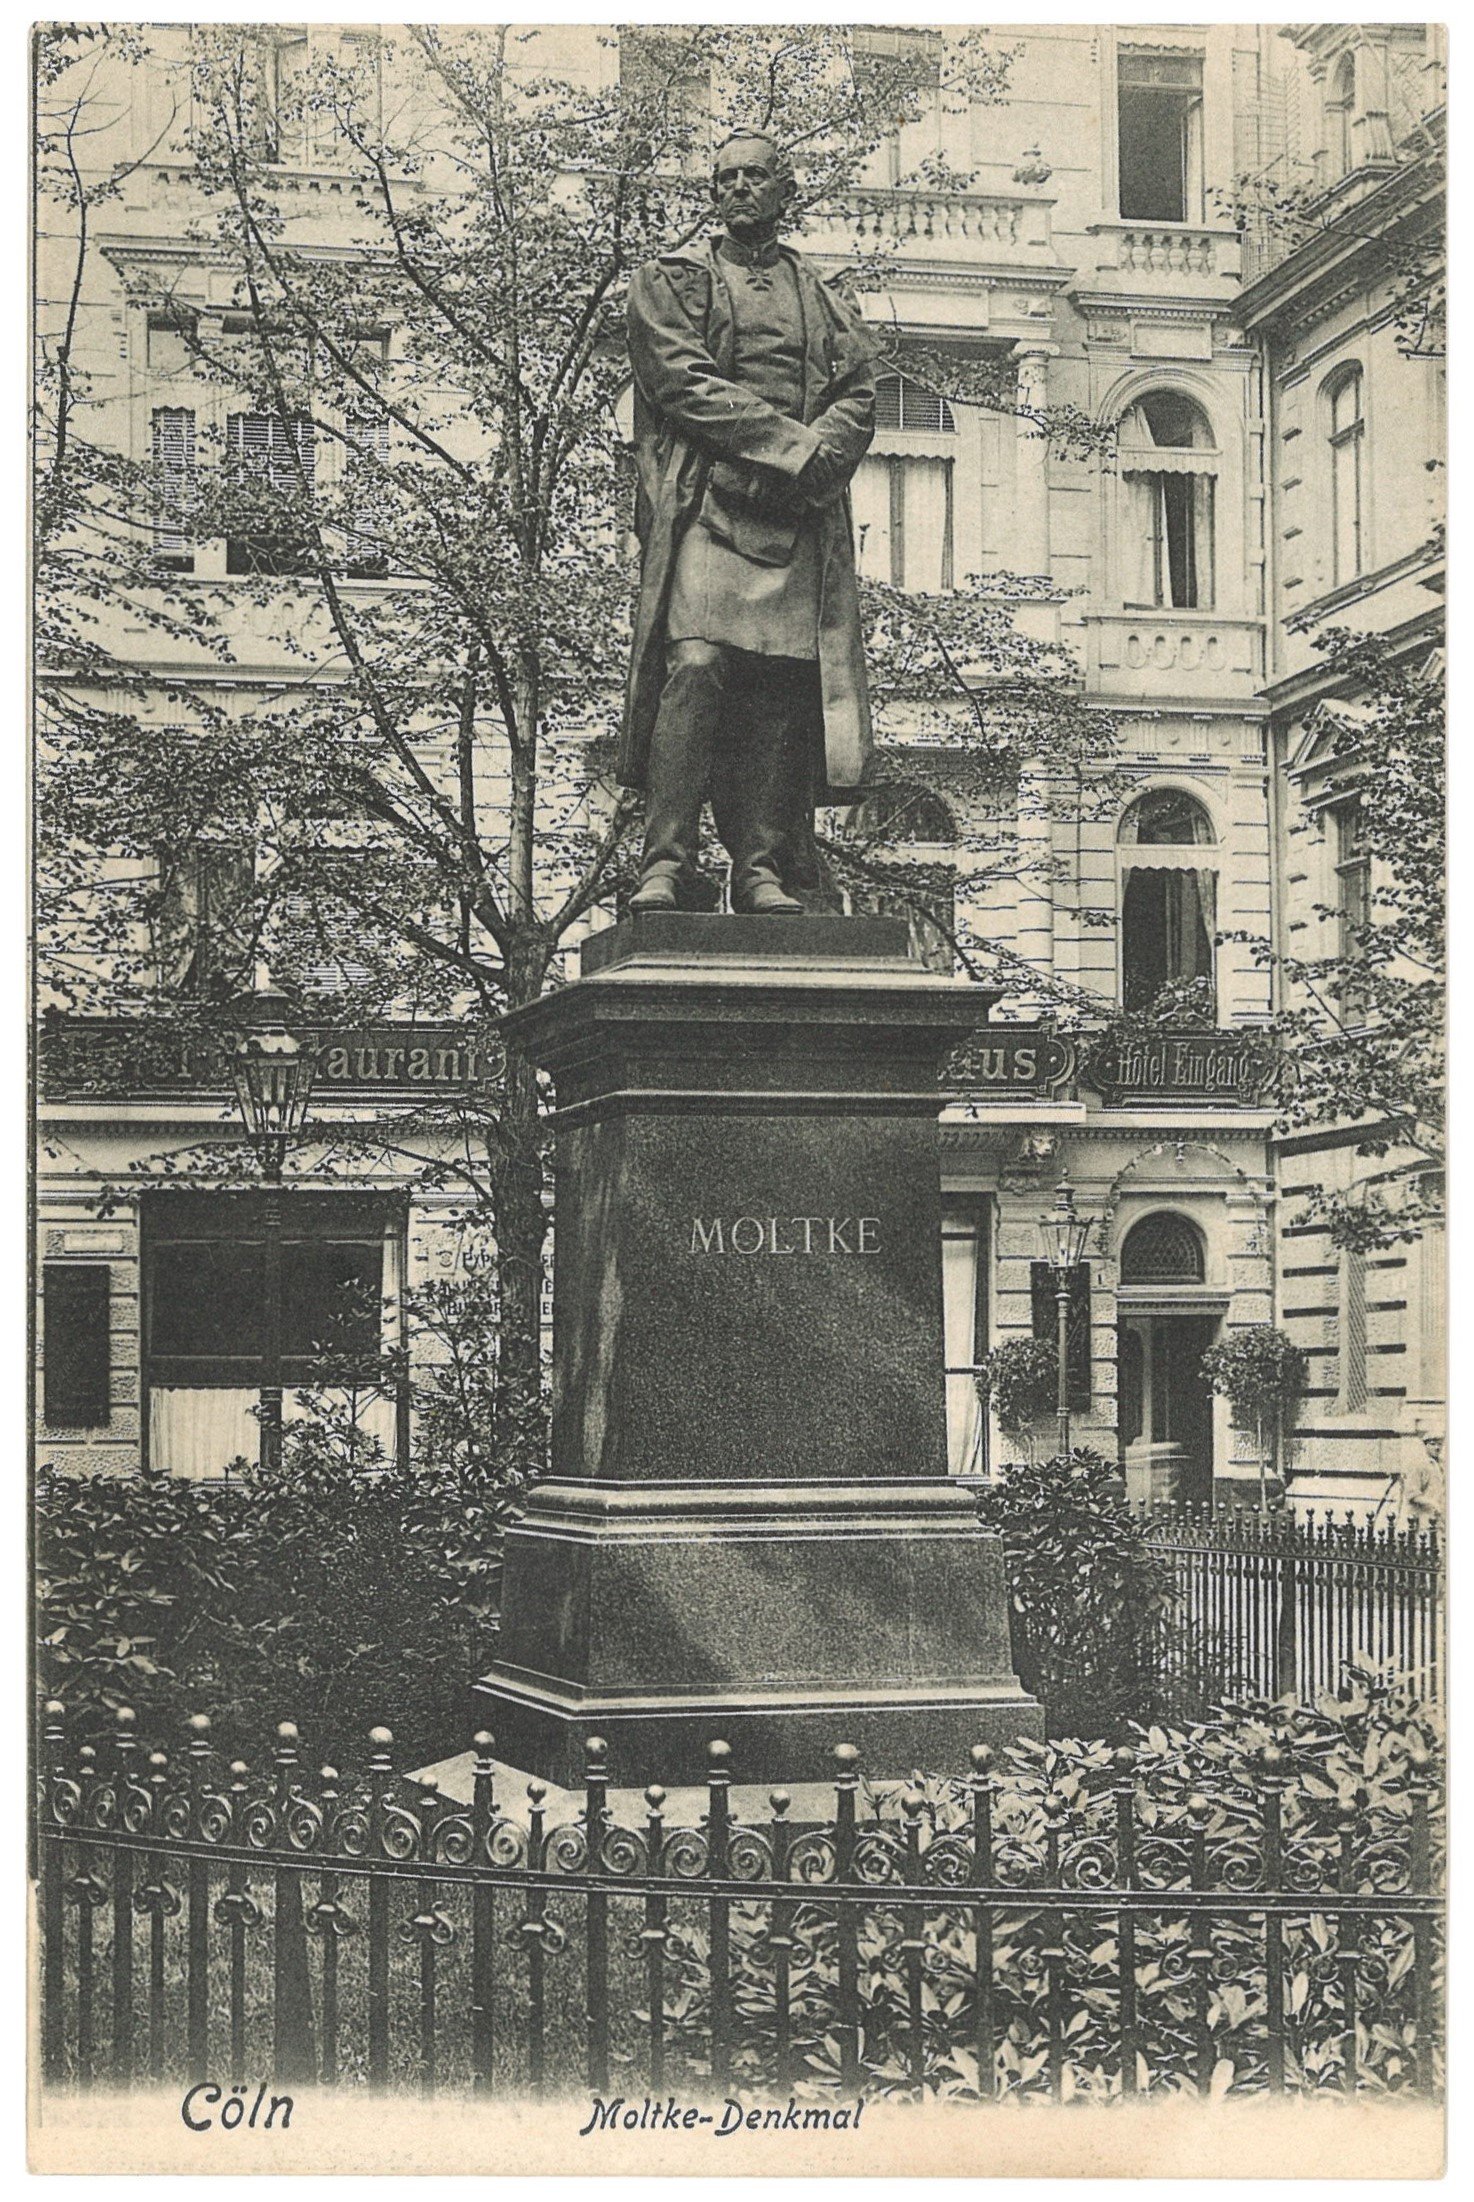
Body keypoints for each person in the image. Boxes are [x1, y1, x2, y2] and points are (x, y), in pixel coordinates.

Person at [619, 128, 877, 915]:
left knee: (776, 688)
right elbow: (679, 381)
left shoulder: (827, 294)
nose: (737, 188)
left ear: (784, 191)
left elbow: (860, 394)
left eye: (754, 176)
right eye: (724, 178)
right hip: (708, 505)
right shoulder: (671, 281)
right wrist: (792, 448)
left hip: (795, 518)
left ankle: (758, 866)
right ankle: (665, 859)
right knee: (695, 665)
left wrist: (814, 463)